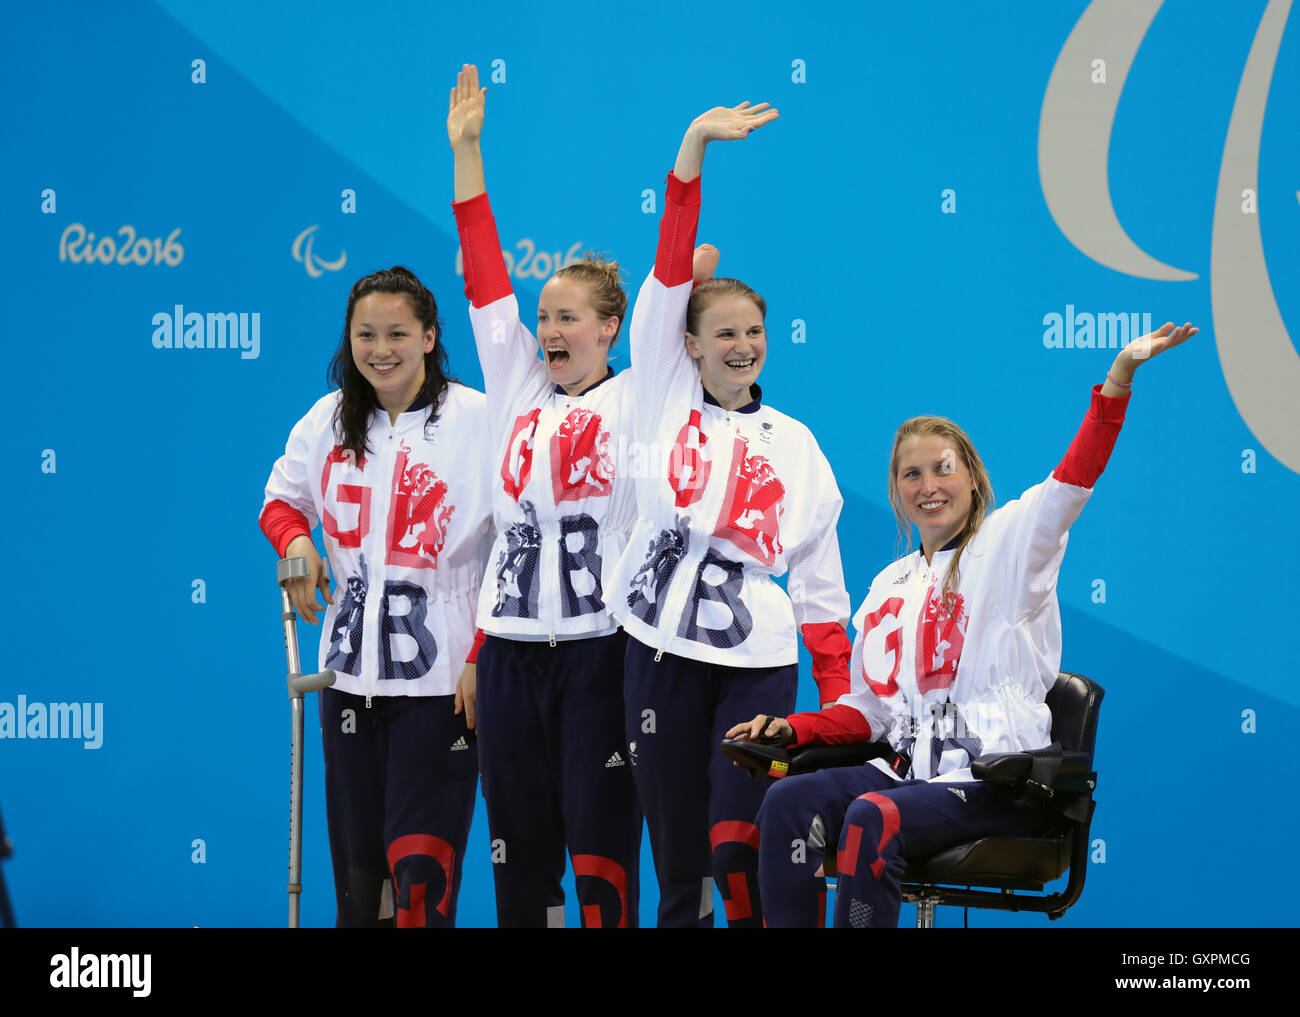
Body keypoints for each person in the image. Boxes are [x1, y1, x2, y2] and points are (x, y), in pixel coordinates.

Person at [727, 320, 1199, 927]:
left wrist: (1117, 382)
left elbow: (1073, 481)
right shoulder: (888, 586)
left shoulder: (1011, 544)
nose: (929, 487)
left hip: (1002, 782)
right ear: (895, 494)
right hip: (908, 772)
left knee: (874, 815)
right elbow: (871, 713)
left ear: (972, 477)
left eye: (942, 469)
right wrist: (793, 731)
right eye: (911, 476)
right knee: (789, 797)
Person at [607, 104, 856, 927]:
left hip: (756, 661)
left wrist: (842, 709)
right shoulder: (658, 394)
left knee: (735, 852)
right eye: (724, 333)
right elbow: (672, 265)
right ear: (688, 344)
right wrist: (692, 149)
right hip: (657, 652)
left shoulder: (799, 444)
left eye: (754, 331)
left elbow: (822, 589)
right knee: (678, 865)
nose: (742, 345)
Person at [448, 63, 663, 927]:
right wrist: (468, 155)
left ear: (610, 327)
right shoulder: (517, 389)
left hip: (597, 652)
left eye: (569, 318)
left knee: (601, 845)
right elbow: (482, 274)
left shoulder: (640, 395)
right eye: (544, 319)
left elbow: (675, 284)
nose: (549, 331)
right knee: (517, 846)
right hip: (506, 655)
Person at [260, 265, 493, 927]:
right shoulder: (329, 417)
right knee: (360, 886)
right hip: (347, 675)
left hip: (443, 683)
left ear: (429, 336)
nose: (380, 348)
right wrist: (296, 542)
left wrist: (481, 650)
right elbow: (280, 499)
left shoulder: (478, 418)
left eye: (397, 332)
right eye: (366, 333)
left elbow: (515, 543)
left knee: (421, 878)